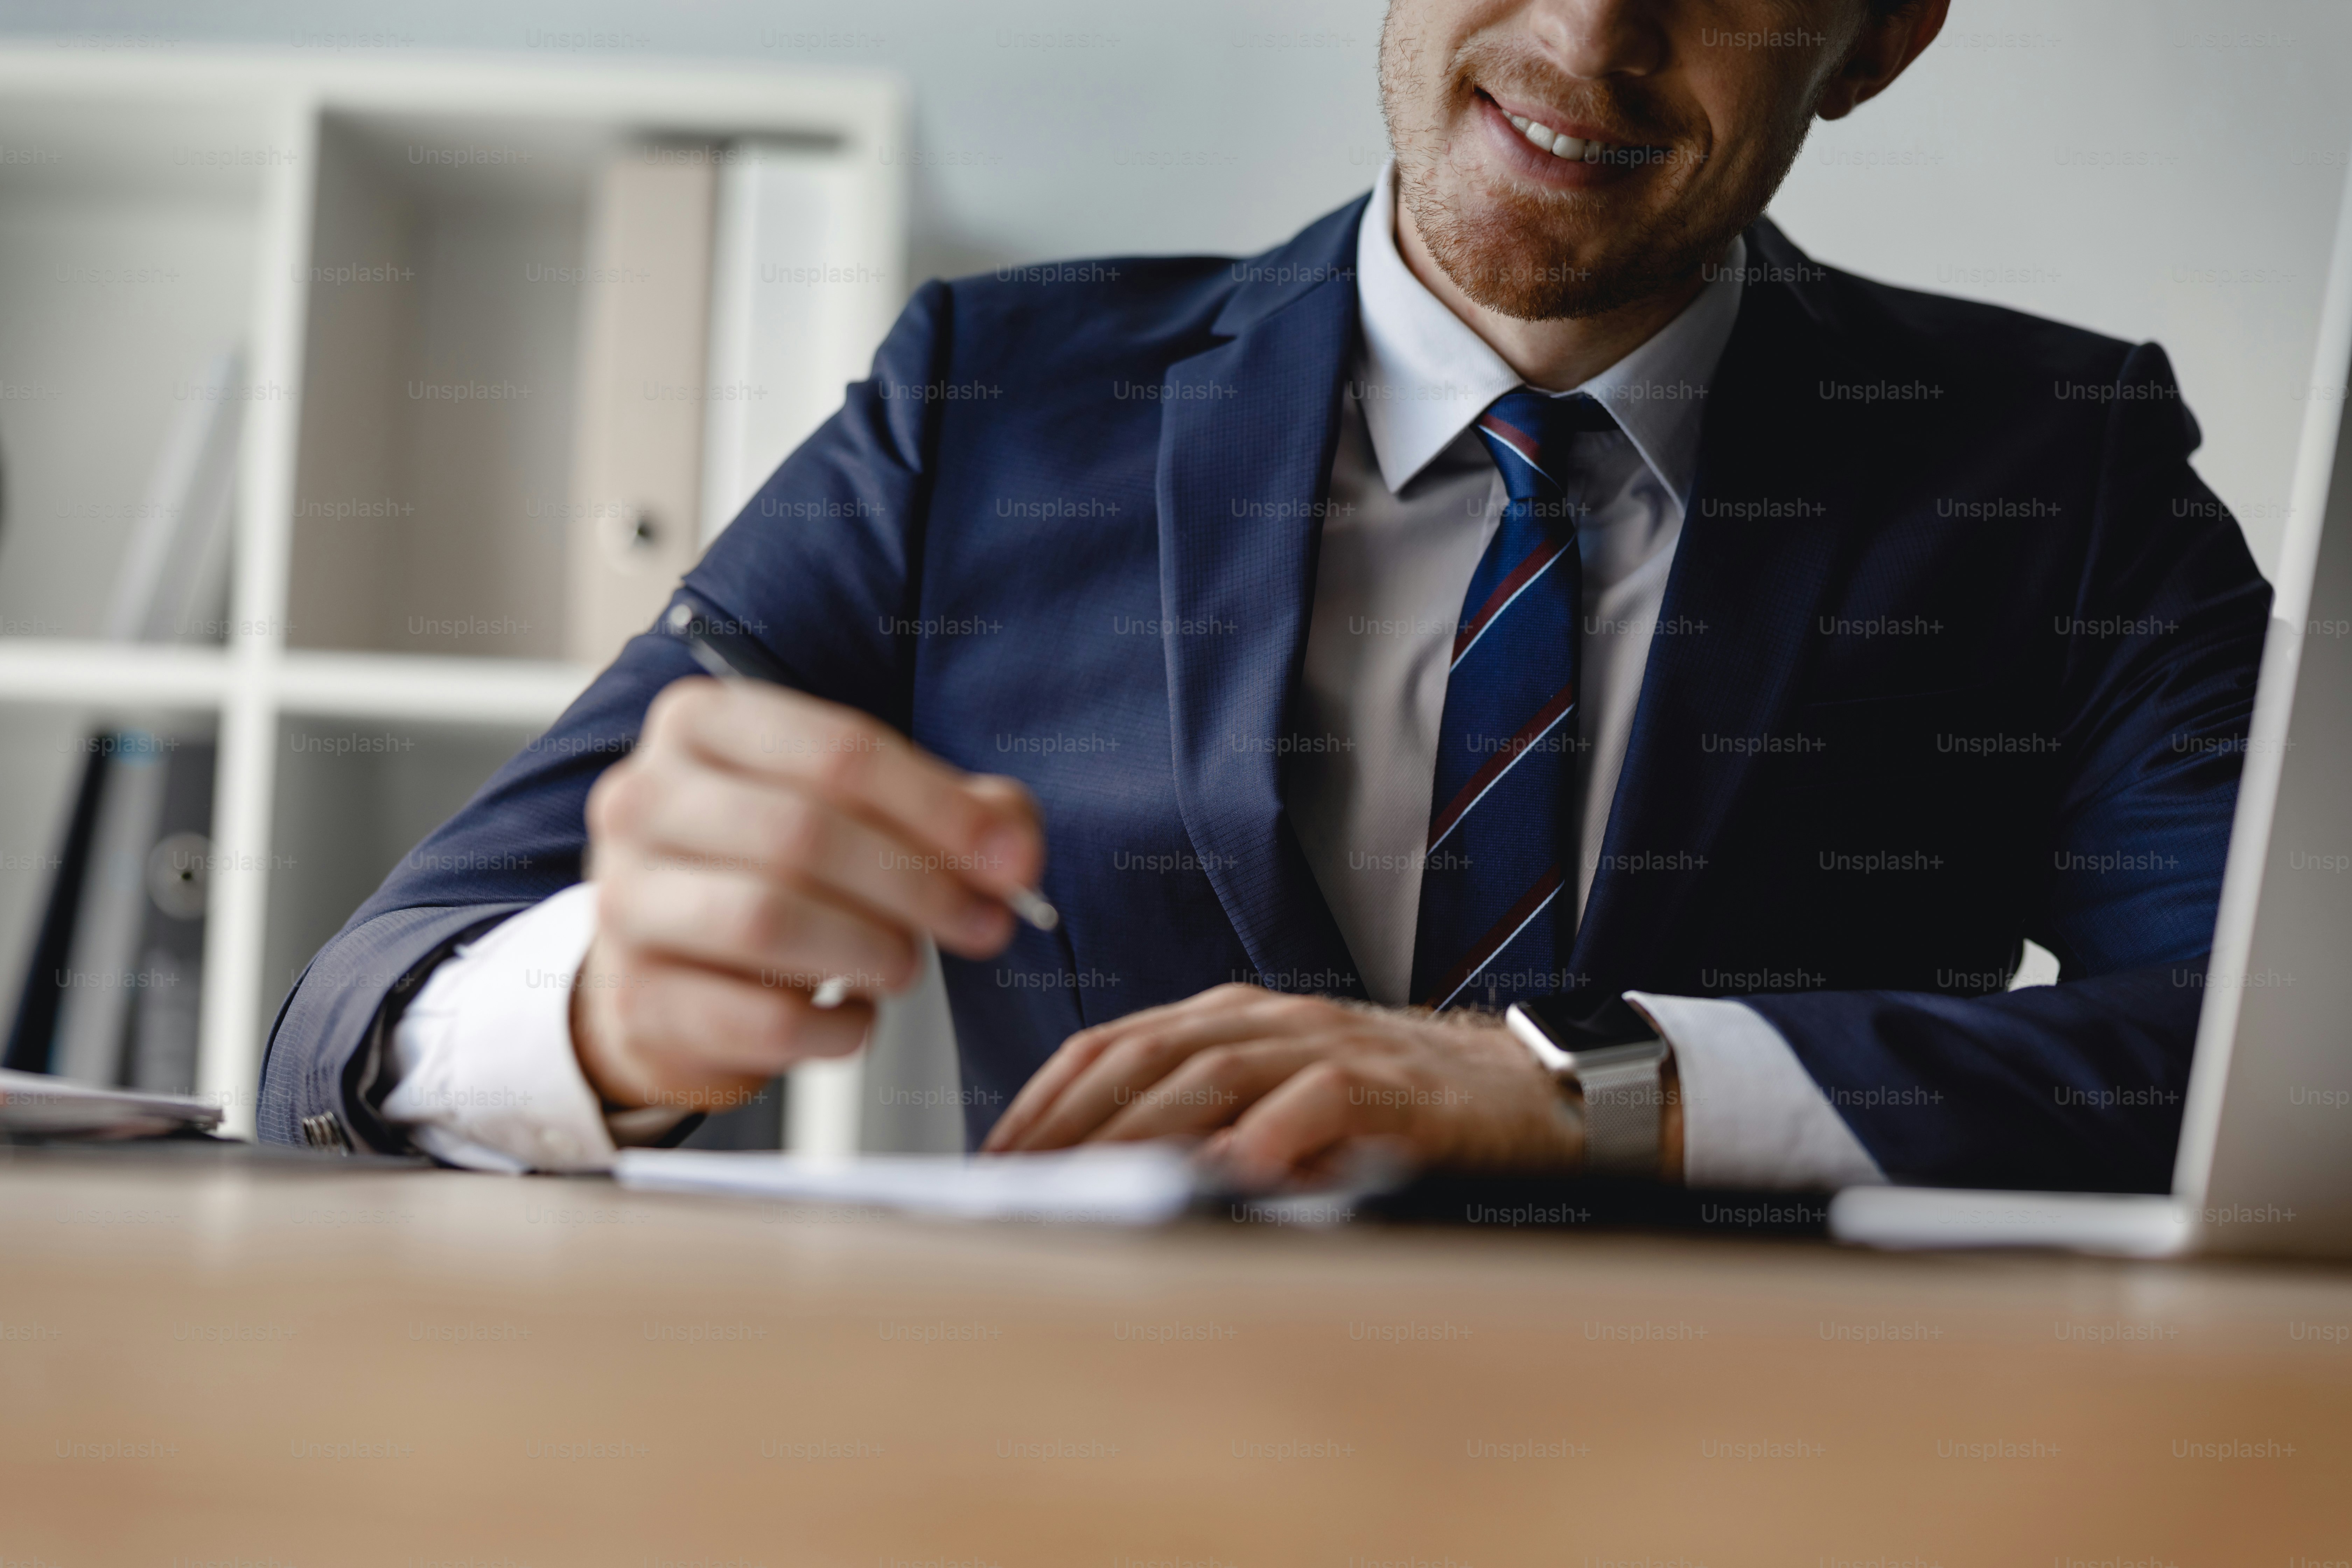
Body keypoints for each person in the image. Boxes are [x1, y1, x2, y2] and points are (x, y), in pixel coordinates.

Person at [260, 0, 2269, 1196]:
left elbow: (2282, 1072)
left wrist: (1575, 1089)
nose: (1587, 36)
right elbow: (355, 1015)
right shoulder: (986, 404)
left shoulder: (2054, 466)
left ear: (1883, 37)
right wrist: (610, 1003)